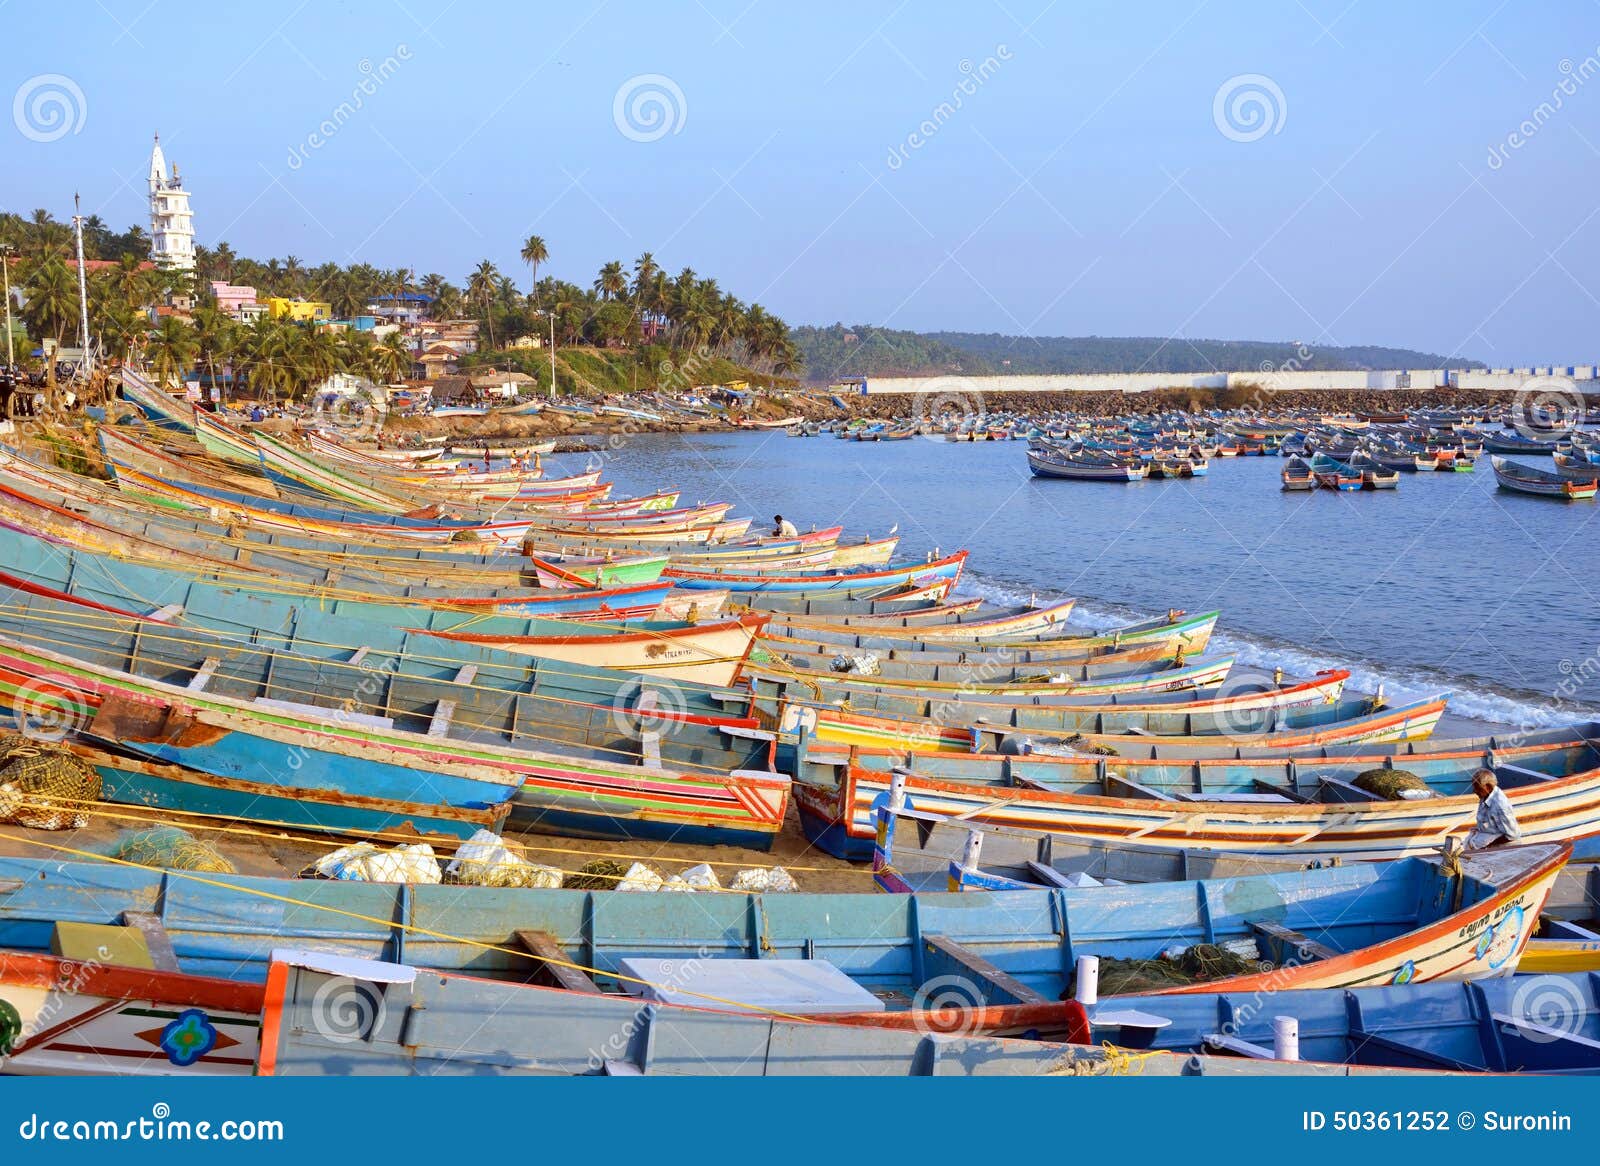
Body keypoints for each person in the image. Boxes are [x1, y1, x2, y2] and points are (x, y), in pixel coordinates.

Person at [1465, 768, 1521, 849]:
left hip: (1505, 847)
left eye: (1477, 787)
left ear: (1488, 787)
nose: (1474, 791)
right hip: (1488, 835)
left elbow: (1512, 835)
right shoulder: (1486, 795)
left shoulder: (1500, 805)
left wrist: (1487, 845)